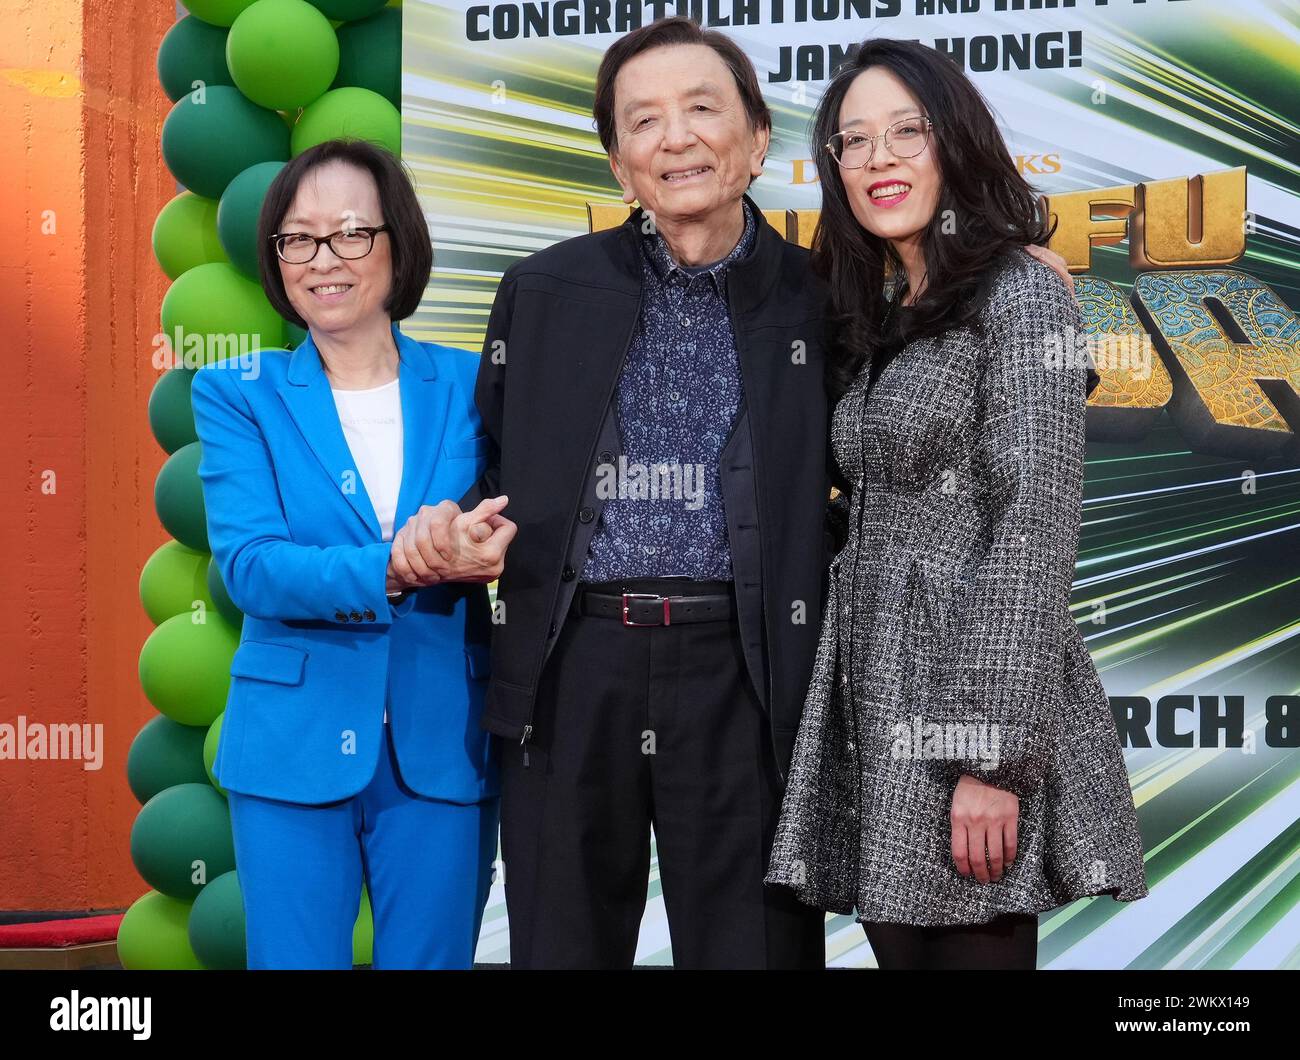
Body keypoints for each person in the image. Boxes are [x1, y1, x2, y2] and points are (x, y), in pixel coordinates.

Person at [396, 17, 1075, 969]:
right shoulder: (542, 293)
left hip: (757, 675)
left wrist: (1020, 281)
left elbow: (966, 448)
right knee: (557, 946)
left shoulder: (831, 298)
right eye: (644, 121)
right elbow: (499, 476)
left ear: (759, 142)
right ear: (617, 162)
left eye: (703, 109)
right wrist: (451, 534)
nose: (676, 138)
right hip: (571, 667)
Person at [763, 39, 1149, 970]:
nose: (880, 157)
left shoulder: (1023, 294)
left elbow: (1035, 521)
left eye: (908, 130)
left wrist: (994, 757)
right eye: (854, 142)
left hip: (972, 693)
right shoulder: (877, 309)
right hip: (875, 689)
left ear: (957, 144)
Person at [189, 138, 514, 969]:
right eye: (297, 239)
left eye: (349, 234)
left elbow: (519, 526)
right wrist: (395, 568)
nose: (321, 260)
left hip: (442, 743)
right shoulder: (238, 392)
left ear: (397, 242)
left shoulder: (474, 386)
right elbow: (253, 565)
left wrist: (490, 548)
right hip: (291, 745)